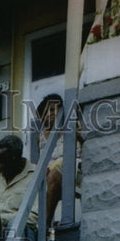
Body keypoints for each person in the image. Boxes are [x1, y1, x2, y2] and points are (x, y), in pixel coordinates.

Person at [36, 93, 82, 228]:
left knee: (54, 175)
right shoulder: (41, 137)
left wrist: (79, 133)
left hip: (73, 171)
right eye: (44, 113)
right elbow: (41, 161)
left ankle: (44, 224)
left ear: (61, 109)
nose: (49, 115)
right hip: (49, 175)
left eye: (52, 109)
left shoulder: (72, 127)